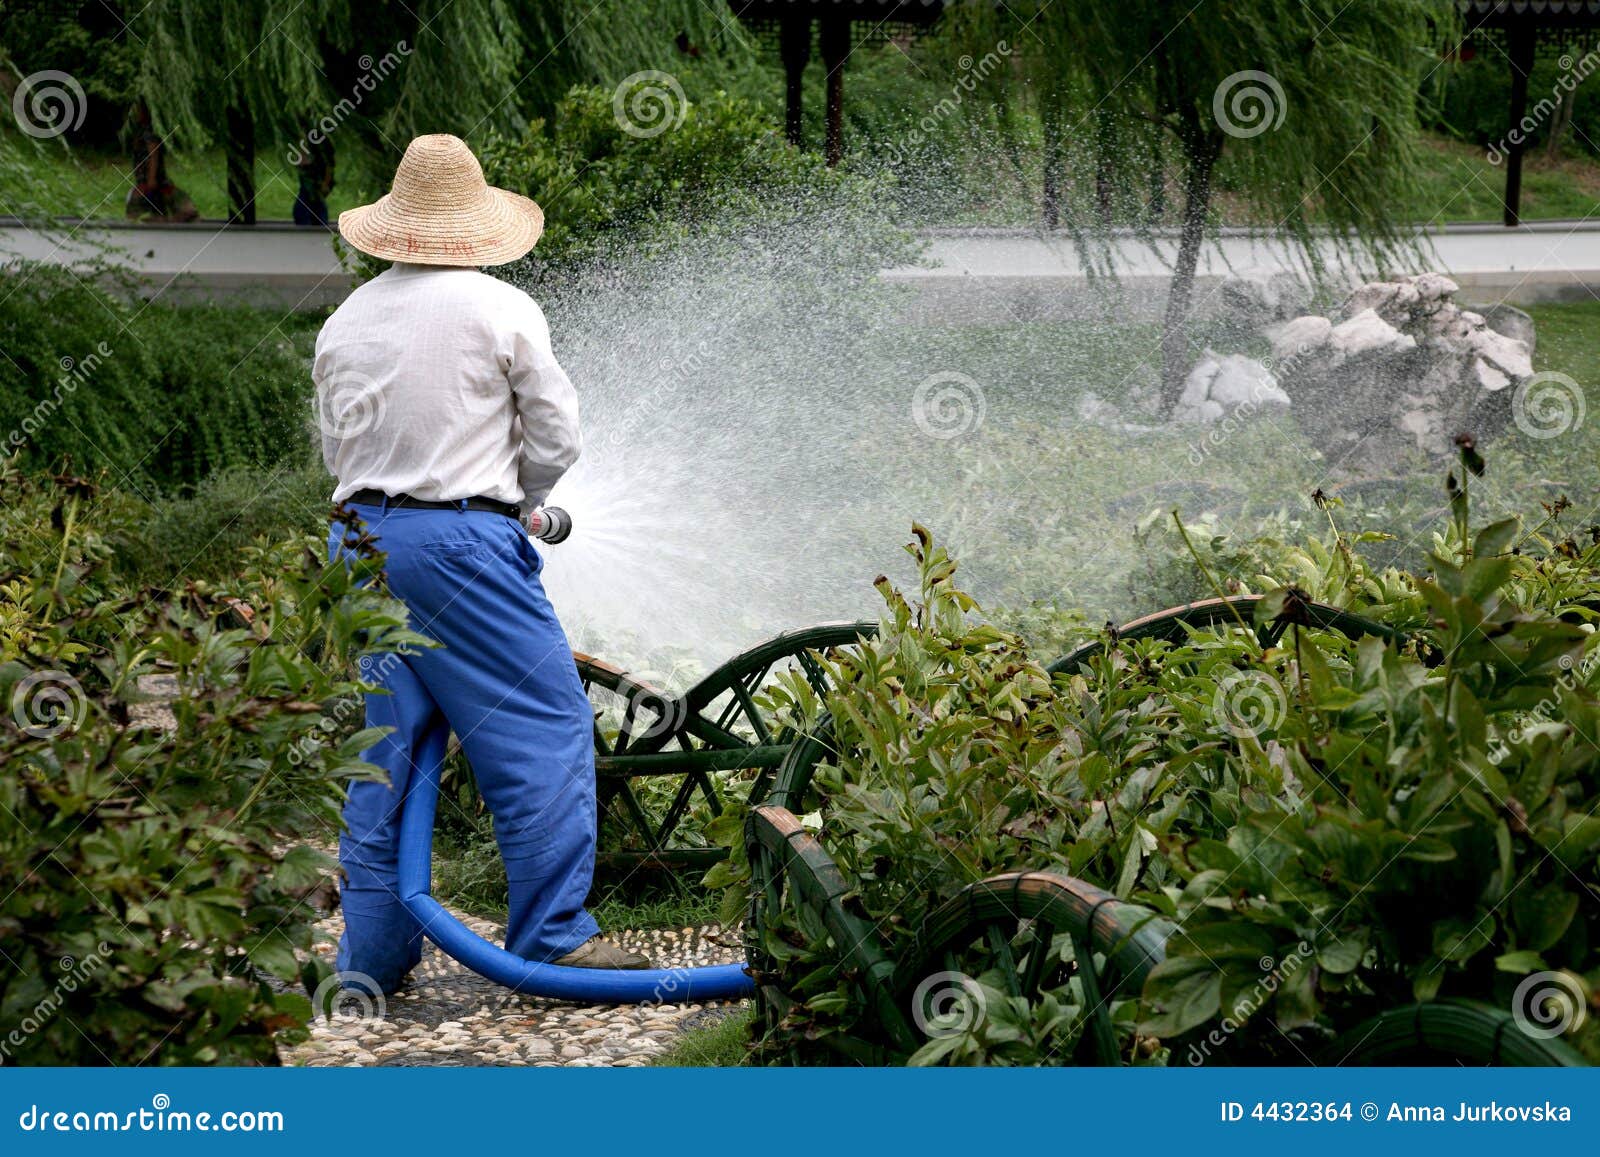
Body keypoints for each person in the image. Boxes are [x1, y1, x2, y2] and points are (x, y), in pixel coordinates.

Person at [315, 133, 649, 994]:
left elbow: (338, 446)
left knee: (388, 748)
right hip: (461, 546)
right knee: (544, 728)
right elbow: (558, 436)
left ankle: (373, 959)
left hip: (356, 543)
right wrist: (520, 501)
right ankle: (553, 937)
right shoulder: (501, 308)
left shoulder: (346, 320)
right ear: (476, 228)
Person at [124, 101, 198, 223]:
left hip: (150, 175)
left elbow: (154, 154)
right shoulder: (140, 129)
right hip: (144, 175)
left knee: (154, 193)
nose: (134, 113)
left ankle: (177, 214)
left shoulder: (149, 130)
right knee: (157, 194)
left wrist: (151, 177)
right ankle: (168, 215)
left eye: (137, 110)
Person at [293, 135, 334, 226]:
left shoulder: (320, 153)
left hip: (315, 189)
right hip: (310, 191)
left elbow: (328, 168)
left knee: (315, 207)